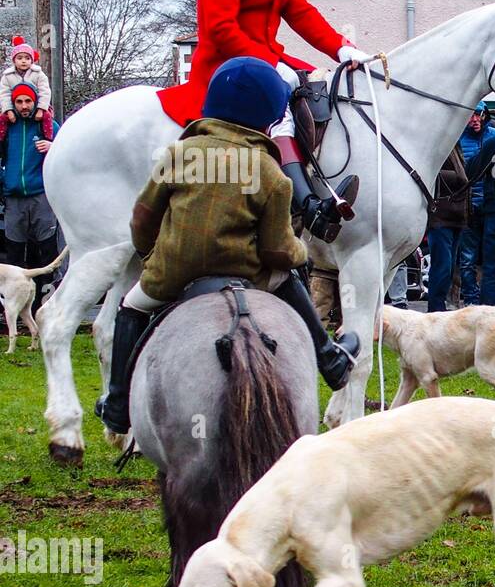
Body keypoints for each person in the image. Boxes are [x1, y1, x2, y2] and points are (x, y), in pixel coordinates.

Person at [95, 57, 360, 435]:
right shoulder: (271, 172)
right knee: (286, 276)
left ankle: (119, 404)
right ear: (267, 113)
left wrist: (152, 256)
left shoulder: (178, 155)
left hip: (172, 274)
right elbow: (277, 250)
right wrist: (301, 254)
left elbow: (142, 219)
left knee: (130, 306)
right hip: (242, 273)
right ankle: (330, 358)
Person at [155, 0, 370, 244]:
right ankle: (306, 206)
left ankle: (307, 183)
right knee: (282, 104)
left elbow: (300, 12)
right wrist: (270, 65)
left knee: (314, 87)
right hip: (225, 68)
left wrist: (340, 48)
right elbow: (220, 29)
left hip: (258, 59)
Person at [0, 83, 60, 309]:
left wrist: (52, 146)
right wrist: (3, 179)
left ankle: (47, 303)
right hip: (14, 197)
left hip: (40, 195)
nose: (24, 106)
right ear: (12, 103)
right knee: (15, 255)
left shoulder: (47, 125)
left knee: (46, 252)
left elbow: (66, 152)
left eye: (28, 101)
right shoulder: (6, 128)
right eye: (19, 102)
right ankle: (15, 307)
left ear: (35, 101)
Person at [457, 102, 495, 306]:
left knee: (492, 261)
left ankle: (490, 303)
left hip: (492, 205)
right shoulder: (458, 139)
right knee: (467, 260)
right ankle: (471, 301)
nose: (474, 120)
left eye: (478, 115)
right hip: (470, 206)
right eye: (470, 116)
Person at [424, 146, 470, 312]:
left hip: (456, 216)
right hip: (441, 217)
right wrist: (462, 179)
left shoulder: (456, 147)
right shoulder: (442, 147)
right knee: (442, 266)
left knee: (449, 268)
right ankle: (435, 309)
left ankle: (439, 307)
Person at [0, 37, 54, 143]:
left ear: (32, 60)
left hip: (35, 106)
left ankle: (48, 137)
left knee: (47, 116)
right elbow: (4, 94)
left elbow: (45, 92)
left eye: (27, 58)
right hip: (15, 107)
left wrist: (41, 109)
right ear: (14, 60)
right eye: (19, 58)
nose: (23, 61)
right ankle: (1, 141)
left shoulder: (38, 74)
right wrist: (9, 110)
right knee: (2, 118)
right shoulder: (7, 76)